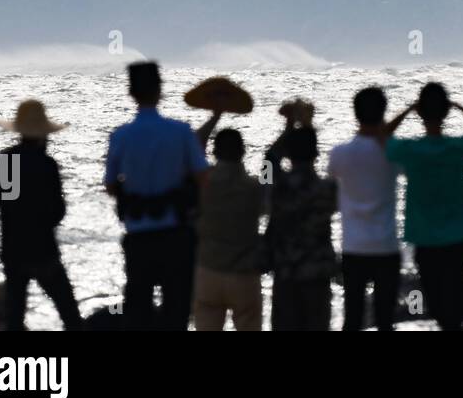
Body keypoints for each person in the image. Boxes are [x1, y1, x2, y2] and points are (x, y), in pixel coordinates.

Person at [104, 61, 210, 330]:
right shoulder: (181, 132)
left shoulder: (121, 136)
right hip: (176, 234)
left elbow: (110, 185)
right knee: (177, 311)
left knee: (138, 311)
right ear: (160, 90)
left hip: (139, 235)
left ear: (131, 92)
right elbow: (202, 177)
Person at [385, 83, 463, 331]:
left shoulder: (410, 151)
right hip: (458, 235)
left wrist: (408, 110)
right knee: (457, 301)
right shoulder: (457, 148)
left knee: (436, 302)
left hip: (425, 237)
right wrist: (457, 107)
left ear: (421, 114)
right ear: (445, 112)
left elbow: (383, 136)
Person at [0, 100, 83, 331]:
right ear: (43, 134)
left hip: (12, 248)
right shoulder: (47, 164)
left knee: (15, 314)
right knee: (68, 310)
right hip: (43, 249)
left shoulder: (5, 159)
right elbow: (58, 211)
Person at [328, 87, 404, 331]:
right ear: (383, 112)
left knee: (353, 318)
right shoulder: (393, 153)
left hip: (354, 247)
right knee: (385, 320)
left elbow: (329, 181)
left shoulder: (340, 154)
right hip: (386, 246)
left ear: (355, 113)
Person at [265, 102, 338, 331]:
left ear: (288, 153)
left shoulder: (277, 186)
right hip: (317, 274)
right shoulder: (327, 189)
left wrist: (288, 126)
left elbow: (269, 159)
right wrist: (307, 125)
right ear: (316, 154)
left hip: (286, 273)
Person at [192, 123, 265, 332]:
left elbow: (195, 148)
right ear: (243, 152)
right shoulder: (253, 188)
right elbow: (272, 172)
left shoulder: (204, 183)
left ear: (214, 152)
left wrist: (215, 115)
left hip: (208, 270)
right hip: (244, 272)